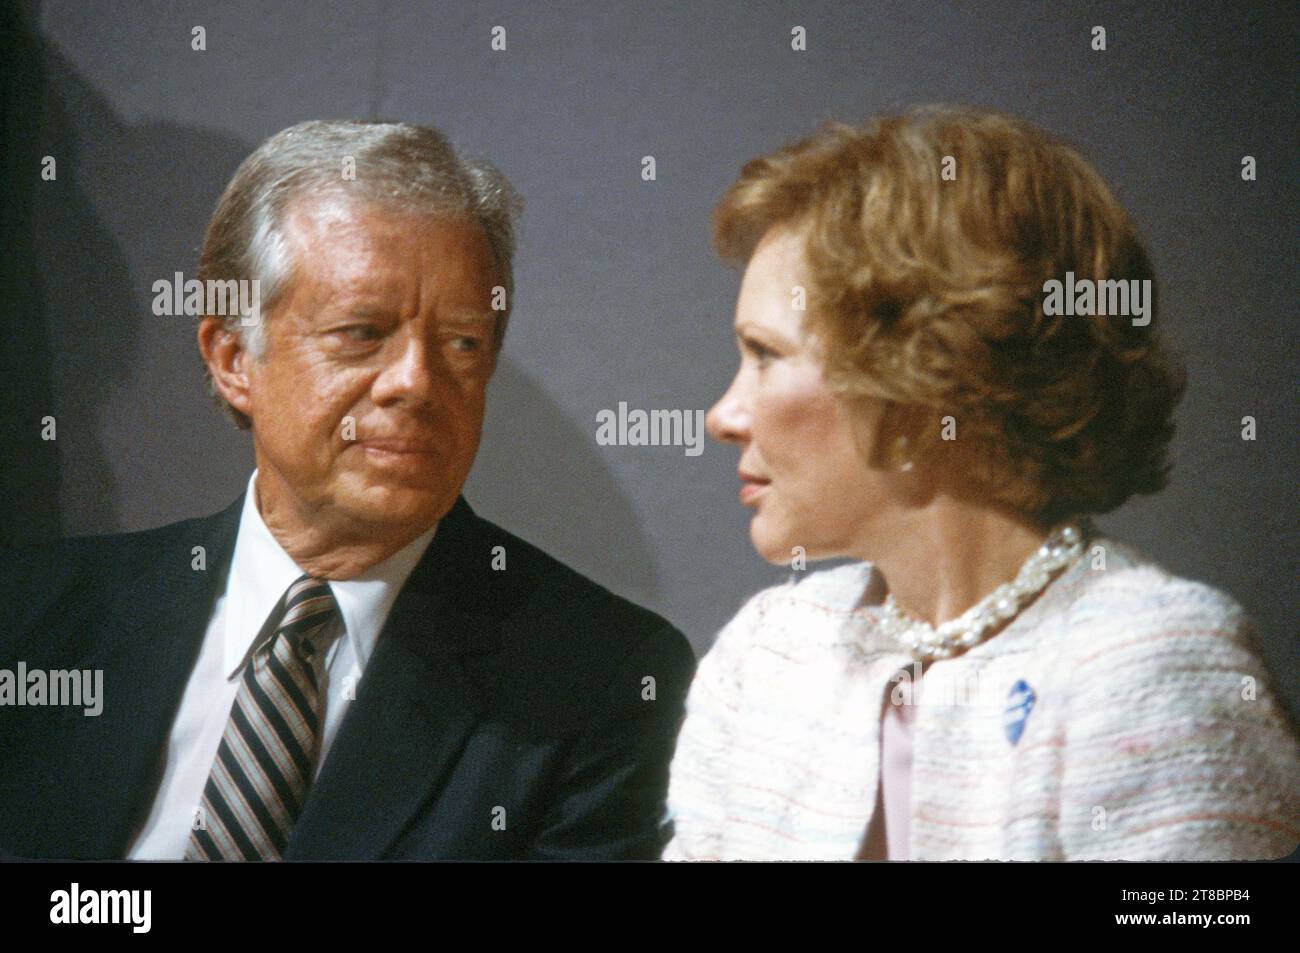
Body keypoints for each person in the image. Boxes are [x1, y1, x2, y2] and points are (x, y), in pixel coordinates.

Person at [0, 119, 695, 861]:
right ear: (235, 359)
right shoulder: (34, 612)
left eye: (462, 341)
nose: (417, 382)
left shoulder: (598, 682)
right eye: (363, 332)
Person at [662, 106, 1299, 861]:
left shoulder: (1147, 658)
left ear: (928, 375)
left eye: (765, 354)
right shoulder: (766, 653)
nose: (723, 415)